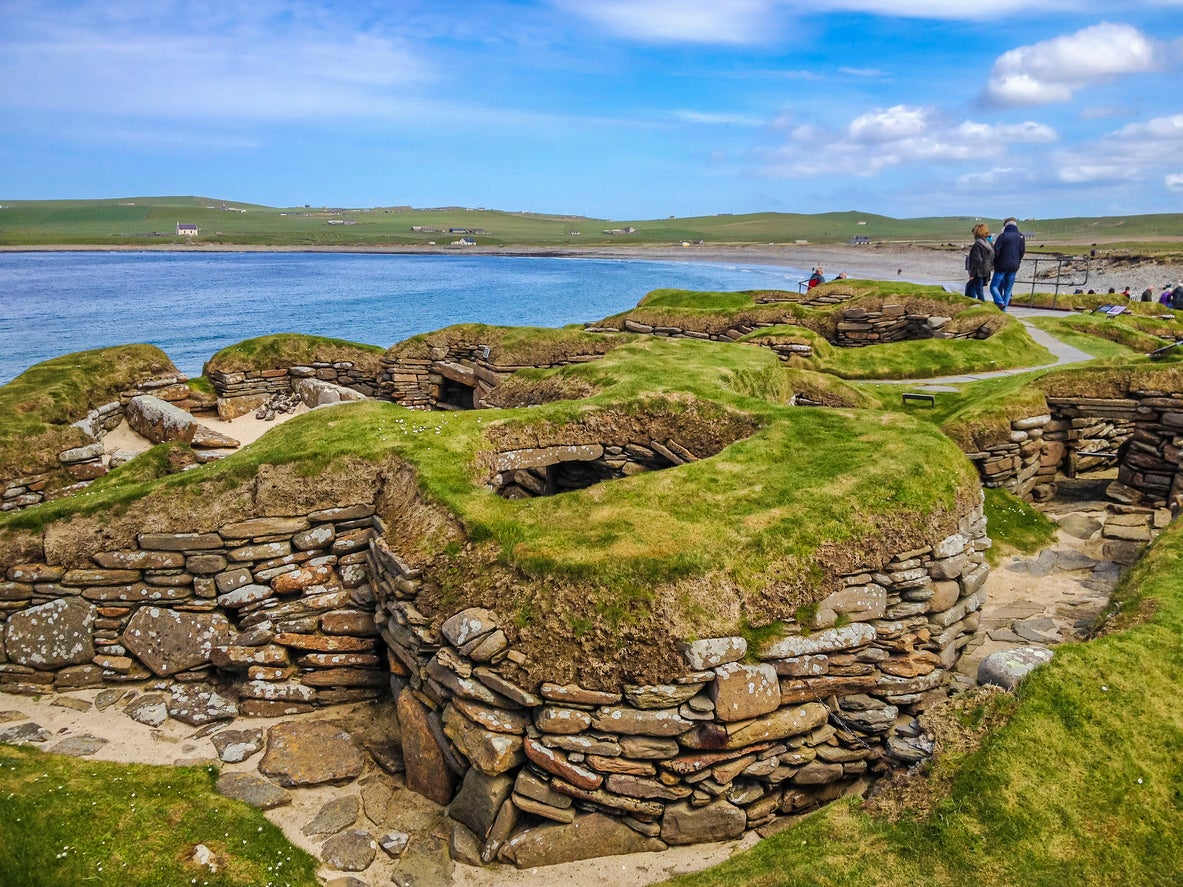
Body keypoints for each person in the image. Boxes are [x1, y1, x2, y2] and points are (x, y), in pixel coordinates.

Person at [989, 217, 1025, 311]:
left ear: (1005, 225)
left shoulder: (1003, 236)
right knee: (1008, 289)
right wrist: (1017, 261)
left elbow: (996, 251)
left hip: (1001, 266)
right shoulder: (1021, 236)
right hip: (1014, 266)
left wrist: (993, 262)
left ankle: (1000, 302)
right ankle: (1004, 310)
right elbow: (1022, 252)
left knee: (994, 286)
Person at [964, 223, 994, 301]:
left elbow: (978, 260)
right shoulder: (989, 243)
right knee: (972, 287)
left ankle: (981, 303)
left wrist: (972, 274)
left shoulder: (978, 244)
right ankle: (972, 302)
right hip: (986, 269)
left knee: (977, 288)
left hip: (978, 271)